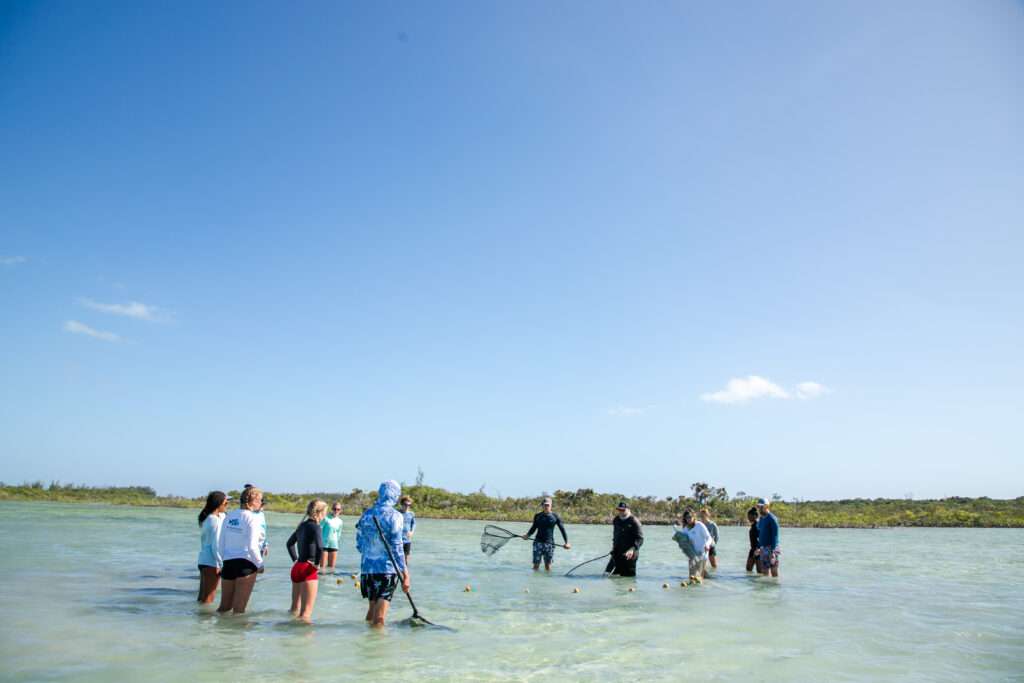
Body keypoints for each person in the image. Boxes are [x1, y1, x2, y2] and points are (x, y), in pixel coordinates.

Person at [355, 481, 410, 627]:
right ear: (394, 495)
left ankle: (365, 642)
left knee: (371, 611)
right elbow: (398, 548)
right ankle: (377, 647)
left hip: (367, 570)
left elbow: (359, 544)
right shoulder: (396, 516)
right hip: (386, 570)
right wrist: (405, 574)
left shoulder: (367, 514)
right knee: (379, 619)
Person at [217, 486, 267, 614]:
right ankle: (236, 634)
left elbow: (221, 543)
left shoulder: (229, 516)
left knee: (224, 607)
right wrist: (260, 564)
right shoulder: (252, 518)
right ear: (253, 501)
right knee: (239, 610)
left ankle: (213, 632)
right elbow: (252, 546)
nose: (261, 503)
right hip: (246, 564)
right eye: (261, 500)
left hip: (228, 563)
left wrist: (223, 562)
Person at [287, 499, 326, 621]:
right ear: (320, 512)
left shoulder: (301, 526)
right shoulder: (316, 527)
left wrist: (295, 560)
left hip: (297, 567)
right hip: (308, 569)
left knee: (294, 609)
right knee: (306, 614)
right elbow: (320, 547)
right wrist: (317, 564)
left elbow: (289, 544)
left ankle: (290, 634)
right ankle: (304, 639)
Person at [197, 491, 229, 603]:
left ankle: (199, 619)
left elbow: (224, 515)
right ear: (218, 504)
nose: (227, 506)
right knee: (208, 599)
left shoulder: (207, 518)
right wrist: (221, 563)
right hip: (212, 562)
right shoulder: (215, 521)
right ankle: (206, 620)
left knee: (202, 597)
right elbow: (216, 545)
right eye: (225, 503)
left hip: (203, 560)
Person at [524, 497, 570, 571]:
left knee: (547, 566)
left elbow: (562, 529)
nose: (546, 507)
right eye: (545, 505)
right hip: (537, 543)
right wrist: (527, 535)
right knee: (535, 566)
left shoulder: (555, 516)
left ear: (551, 505)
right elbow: (534, 527)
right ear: (542, 505)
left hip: (549, 544)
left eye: (548, 505)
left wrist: (566, 542)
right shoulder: (537, 516)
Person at [605, 501, 643, 577]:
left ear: (628, 510)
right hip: (616, 553)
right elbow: (615, 536)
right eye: (619, 509)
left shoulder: (634, 521)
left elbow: (640, 539)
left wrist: (632, 549)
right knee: (608, 574)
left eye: (623, 510)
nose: (620, 511)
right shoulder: (616, 520)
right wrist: (613, 548)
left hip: (630, 554)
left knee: (627, 578)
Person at [674, 507, 714, 580]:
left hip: (703, 553)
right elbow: (683, 540)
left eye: (690, 517)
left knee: (699, 578)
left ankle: (706, 583)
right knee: (691, 577)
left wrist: (707, 544)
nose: (688, 519)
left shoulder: (700, 525)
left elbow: (709, 538)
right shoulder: (685, 529)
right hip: (693, 555)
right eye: (687, 517)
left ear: (694, 516)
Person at [243, 483, 269, 560]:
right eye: (261, 504)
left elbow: (263, 530)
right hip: (250, 548)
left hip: (260, 547)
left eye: (263, 504)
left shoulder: (261, 515)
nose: (262, 506)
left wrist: (265, 544)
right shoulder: (249, 514)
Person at [756, 498, 781, 578]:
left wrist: (773, 552)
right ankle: (766, 589)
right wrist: (759, 547)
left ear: (766, 506)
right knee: (764, 571)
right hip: (763, 548)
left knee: (774, 571)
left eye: (761, 507)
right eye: (758, 506)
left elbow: (775, 535)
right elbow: (760, 533)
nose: (759, 508)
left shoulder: (772, 519)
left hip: (772, 547)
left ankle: (775, 588)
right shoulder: (761, 518)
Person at [320, 501, 343, 573]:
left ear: (340, 510)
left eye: (338, 509)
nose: (336, 511)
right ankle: (322, 583)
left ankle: (331, 584)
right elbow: (319, 530)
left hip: (334, 545)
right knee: (322, 569)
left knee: (331, 569)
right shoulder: (325, 518)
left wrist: (336, 541)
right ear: (332, 509)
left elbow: (339, 534)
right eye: (334, 509)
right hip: (324, 545)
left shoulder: (340, 521)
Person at [399, 496, 416, 563]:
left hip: (407, 540)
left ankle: (406, 571)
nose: (407, 506)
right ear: (402, 504)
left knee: (406, 558)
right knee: (398, 558)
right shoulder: (397, 513)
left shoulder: (411, 514)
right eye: (406, 504)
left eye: (409, 505)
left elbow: (414, 524)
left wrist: (412, 532)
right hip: (398, 539)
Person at [745, 506, 762, 573]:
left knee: (759, 571)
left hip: (758, 550)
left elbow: (762, 538)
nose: (748, 518)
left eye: (749, 516)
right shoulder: (753, 525)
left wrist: (759, 549)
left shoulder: (758, 525)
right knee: (748, 568)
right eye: (748, 516)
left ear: (755, 516)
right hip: (752, 549)